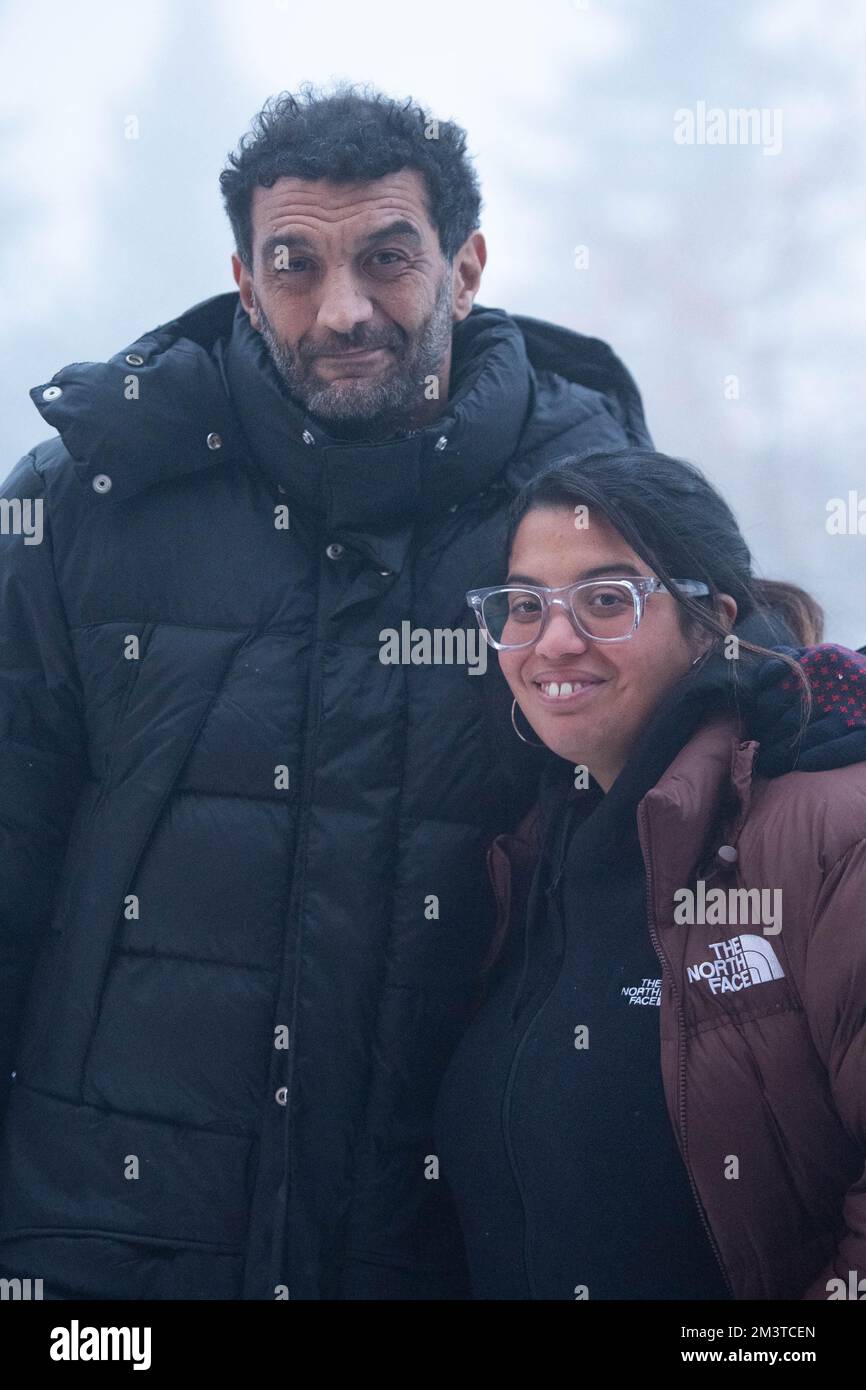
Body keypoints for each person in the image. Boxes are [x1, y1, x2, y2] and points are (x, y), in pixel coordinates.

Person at [0, 85, 851, 1303]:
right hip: (103, 1246)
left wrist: (826, 709)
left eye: (387, 258)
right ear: (244, 281)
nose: (342, 307)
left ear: (464, 266)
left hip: (440, 1242)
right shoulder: (89, 500)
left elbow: (740, 718)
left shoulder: (573, 503)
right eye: (293, 263)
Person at [434, 447, 866, 1301]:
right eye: (523, 606)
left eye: (607, 599)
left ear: (711, 623)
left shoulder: (828, 833)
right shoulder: (524, 863)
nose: (554, 641)